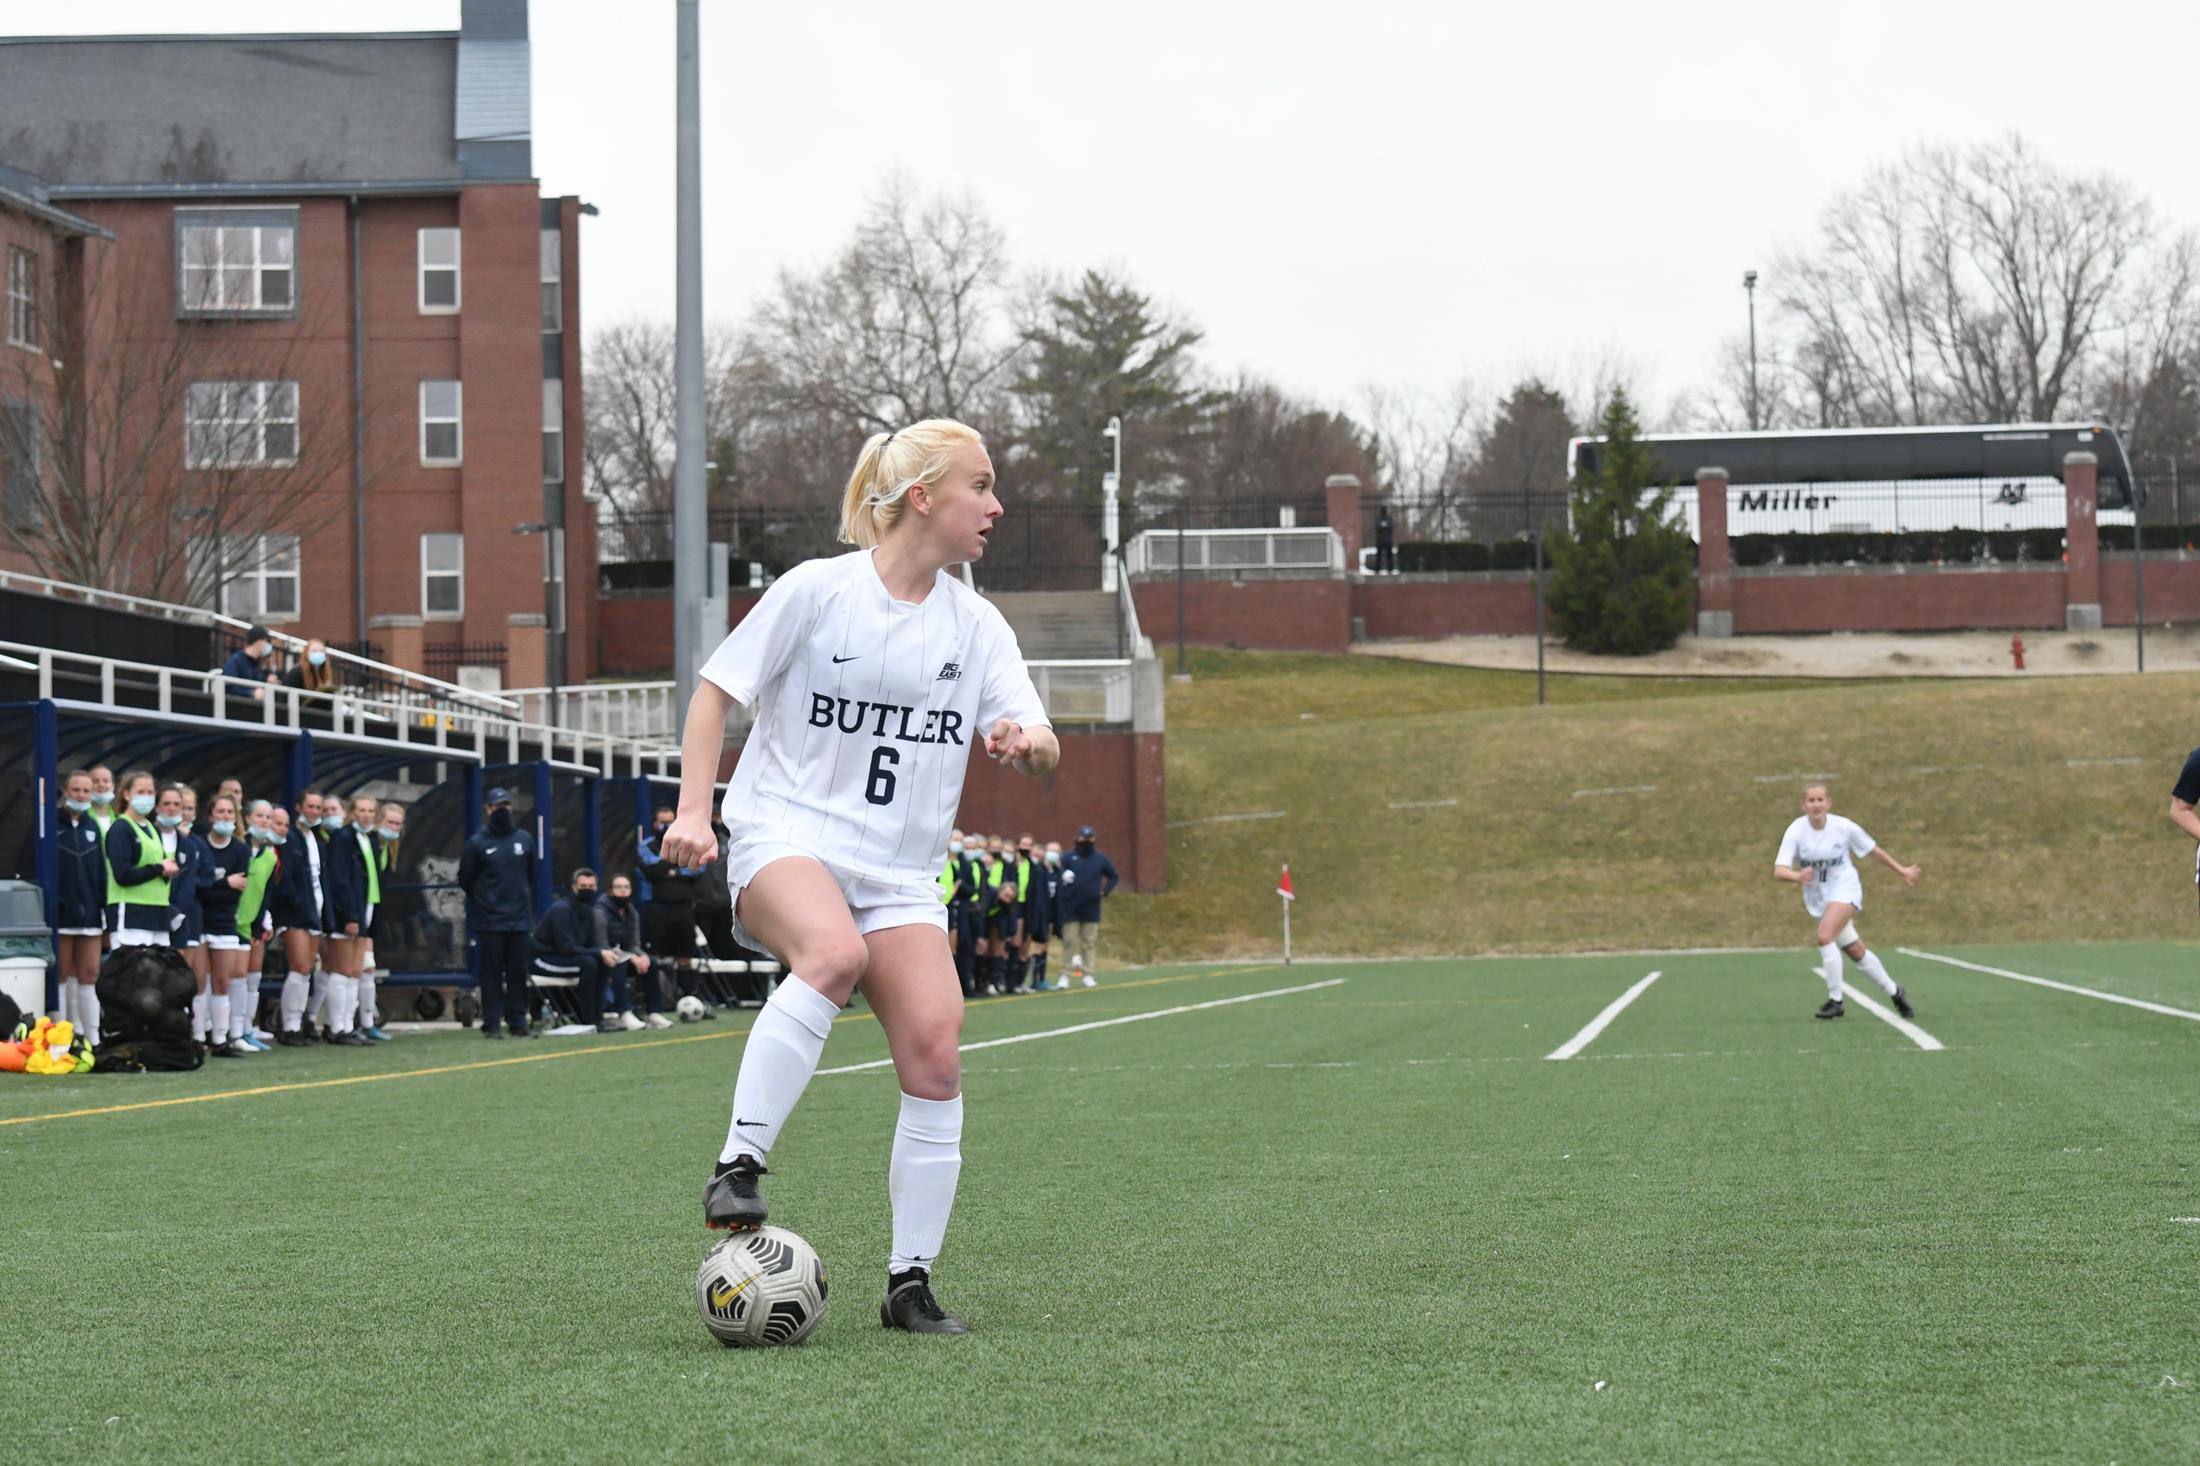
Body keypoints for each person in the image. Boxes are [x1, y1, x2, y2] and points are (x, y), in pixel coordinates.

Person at [662, 417, 1058, 1335]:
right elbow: (715, 693)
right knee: (832, 954)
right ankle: (738, 1166)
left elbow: (1041, 741)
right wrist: (692, 812)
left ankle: (909, 1284)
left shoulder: (978, 626)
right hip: (786, 833)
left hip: (902, 873)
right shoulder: (817, 590)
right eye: (980, 486)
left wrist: (1026, 743)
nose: (996, 505)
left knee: (937, 1053)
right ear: (923, 497)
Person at [1773, 783, 1921, 1020]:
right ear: (1803, 805)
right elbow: (1779, 870)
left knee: (1825, 937)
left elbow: (1872, 850)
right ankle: (1895, 991)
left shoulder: (1843, 827)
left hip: (1846, 889)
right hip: (1820, 899)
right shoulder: (1796, 830)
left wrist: (1901, 870)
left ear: (1828, 803)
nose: (1816, 805)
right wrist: (1797, 876)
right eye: (1811, 800)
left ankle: (1836, 1001)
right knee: (1855, 951)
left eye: (1820, 800)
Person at [100, 772, 181, 1046]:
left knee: (156, 980)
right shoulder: (121, 828)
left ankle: (151, 1038)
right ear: (126, 794)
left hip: (157, 915)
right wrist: (159, 868)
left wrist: (166, 870)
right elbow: (123, 874)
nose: (147, 797)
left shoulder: (151, 828)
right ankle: (124, 1036)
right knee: (130, 979)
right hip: (131, 913)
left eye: (150, 792)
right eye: (141, 791)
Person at [458, 786, 538, 1039]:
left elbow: (532, 875)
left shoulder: (525, 839)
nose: (502, 810)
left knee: (518, 972)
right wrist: (486, 902)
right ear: (488, 809)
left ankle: (518, 1021)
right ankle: (492, 1023)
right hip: (491, 921)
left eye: (505, 805)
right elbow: (466, 878)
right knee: (491, 974)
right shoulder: (477, 843)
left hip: (520, 919)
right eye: (497, 806)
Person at [198, 792, 261, 1054]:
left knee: (222, 982)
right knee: (199, 982)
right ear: (210, 815)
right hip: (199, 921)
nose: (225, 817)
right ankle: (198, 1036)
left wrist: (213, 886)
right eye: (220, 811)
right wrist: (224, 883)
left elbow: (235, 891)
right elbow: (197, 888)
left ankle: (220, 1038)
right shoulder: (199, 844)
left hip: (224, 922)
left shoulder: (240, 850)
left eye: (229, 812)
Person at [321, 791, 380, 1046]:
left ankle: (349, 1025)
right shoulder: (343, 838)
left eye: (370, 811)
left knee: (355, 971)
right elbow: (340, 879)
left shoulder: (368, 839)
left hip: (366, 906)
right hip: (349, 911)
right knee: (342, 969)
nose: (366, 815)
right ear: (352, 813)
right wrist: (349, 914)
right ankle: (336, 1027)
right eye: (362, 810)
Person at [270, 791, 329, 1044]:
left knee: (307, 971)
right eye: (310, 806)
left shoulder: (314, 838)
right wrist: (297, 903)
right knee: (300, 967)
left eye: (318, 807)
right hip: (295, 913)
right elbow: (285, 878)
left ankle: (299, 1022)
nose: (314, 811)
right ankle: (289, 1026)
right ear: (299, 807)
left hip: (314, 911)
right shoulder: (291, 837)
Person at [639, 803, 705, 1027]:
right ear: (654, 823)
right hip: (657, 908)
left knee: (685, 956)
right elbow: (651, 869)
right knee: (657, 956)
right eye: (662, 822)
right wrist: (676, 867)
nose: (666, 826)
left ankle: (690, 999)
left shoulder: (688, 843)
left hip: (684, 908)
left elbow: (697, 869)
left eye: (670, 821)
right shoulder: (647, 845)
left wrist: (669, 870)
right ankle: (659, 1004)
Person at [53, 769, 106, 1028]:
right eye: (76, 790)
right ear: (65, 792)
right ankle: (61, 1037)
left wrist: (103, 910)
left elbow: (101, 873)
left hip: (91, 915)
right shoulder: (51, 824)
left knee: (90, 974)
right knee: (61, 974)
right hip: (62, 915)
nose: (81, 795)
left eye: (86, 791)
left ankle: (91, 1038)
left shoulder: (93, 826)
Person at [532, 868, 615, 1032]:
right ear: (573, 887)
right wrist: (599, 953)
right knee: (589, 963)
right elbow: (565, 947)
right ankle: (587, 1020)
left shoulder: (589, 910)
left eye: (591, 886)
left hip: (567, 957)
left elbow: (591, 945)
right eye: (583, 886)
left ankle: (598, 1017)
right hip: (543, 959)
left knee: (603, 962)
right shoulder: (562, 909)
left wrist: (607, 952)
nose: (587, 890)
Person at [233, 800, 284, 1046]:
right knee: (229, 978)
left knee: (252, 977)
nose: (264, 821)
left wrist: (261, 922)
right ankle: (222, 1031)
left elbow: (265, 893)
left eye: (268, 817)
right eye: (259, 816)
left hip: (251, 923)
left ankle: (246, 1030)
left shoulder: (270, 857)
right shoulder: (237, 848)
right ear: (247, 818)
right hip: (228, 922)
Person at [360, 800, 405, 1042]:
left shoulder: (389, 847)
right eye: (390, 822)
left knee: (367, 968)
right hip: (357, 913)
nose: (393, 827)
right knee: (354, 969)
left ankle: (366, 1022)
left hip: (371, 912)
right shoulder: (368, 843)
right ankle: (339, 1024)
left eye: (398, 824)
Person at [1057, 826, 1118, 988]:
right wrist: (1063, 875)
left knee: (1089, 942)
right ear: (1077, 839)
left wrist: (1105, 892)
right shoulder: (1068, 857)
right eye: (1083, 838)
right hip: (1071, 906)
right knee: (1069, 941)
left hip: (1091, 907)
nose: (1086, 841)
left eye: (1089, 838)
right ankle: (1065, 974)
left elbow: (1113, 876)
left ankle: (1088, 973)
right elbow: (1057, 871)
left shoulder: (1100, 858)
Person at [594, 873, 653, 1030]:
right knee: (620, 963)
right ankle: (624, 1012)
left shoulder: (632, 912)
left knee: (651, 963)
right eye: (618, 887)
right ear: (610, 890)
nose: (623, 890)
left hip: (624, 955)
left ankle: (653, 1012)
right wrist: (631, 957)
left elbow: (634, 944)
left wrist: (643, 956)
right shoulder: (600, 912)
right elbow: (602, 945)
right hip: (603, 957)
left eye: (626, 887)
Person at [939, 830, 980, 998]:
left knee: (958, 947)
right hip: (941, 907)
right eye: (955, 839)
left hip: (960, 910)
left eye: (960, 840)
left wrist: (959, 888)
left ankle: (959, 987)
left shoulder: (965, 864)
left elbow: (971, 888)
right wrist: (953, 889)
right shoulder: (939, 861)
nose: (957, 843)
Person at [220, 626, 282, 701]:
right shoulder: (236, 660)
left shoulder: (258, 664)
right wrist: (251, 694)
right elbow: (228, 688)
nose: (269, 645)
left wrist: (268, 682)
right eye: (267, 641)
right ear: (259, 642)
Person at [1374, 501, 1397, 575]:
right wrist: (1385, 526)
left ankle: (1390, 569)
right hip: (1380, 540)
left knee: (1389, 556)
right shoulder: (1378, 518)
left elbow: (1391, 527)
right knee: (1379, 556)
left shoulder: (1389, 518)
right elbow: (1377, 527)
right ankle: (1377, 569)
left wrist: (1383, 526)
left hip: (1388, 540)